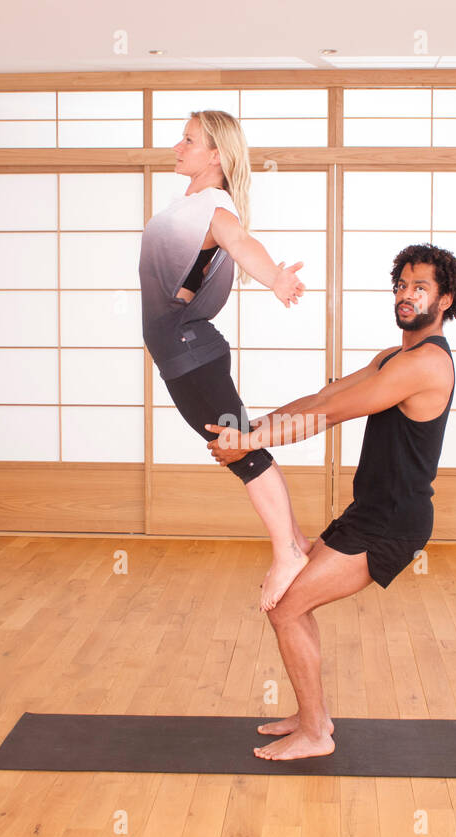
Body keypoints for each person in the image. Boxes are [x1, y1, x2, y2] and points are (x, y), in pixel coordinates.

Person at [206, 243, 456, 760]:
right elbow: (321, 399)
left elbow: (333, 416)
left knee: (285, 607)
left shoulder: (427, 365)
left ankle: (314, 734)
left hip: (393, 526)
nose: (407, 295)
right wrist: (246, 429)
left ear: (446, 299)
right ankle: (314, 717)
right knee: (292, 605)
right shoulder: (394, 356)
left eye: (421, 287)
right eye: (402, 284)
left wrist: (249, 440)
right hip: (368, 514)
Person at [140, 110, 311, 611]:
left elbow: (239, 242)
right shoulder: (189, 207)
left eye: (188, 140)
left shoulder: (214, 207)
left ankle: (288, 554)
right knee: (238, 444)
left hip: (193, 354)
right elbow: (189, 275)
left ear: (216, 155)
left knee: (239, 448)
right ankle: (295, 543)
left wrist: (275, 278)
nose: (177, 146)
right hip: (184, 351)